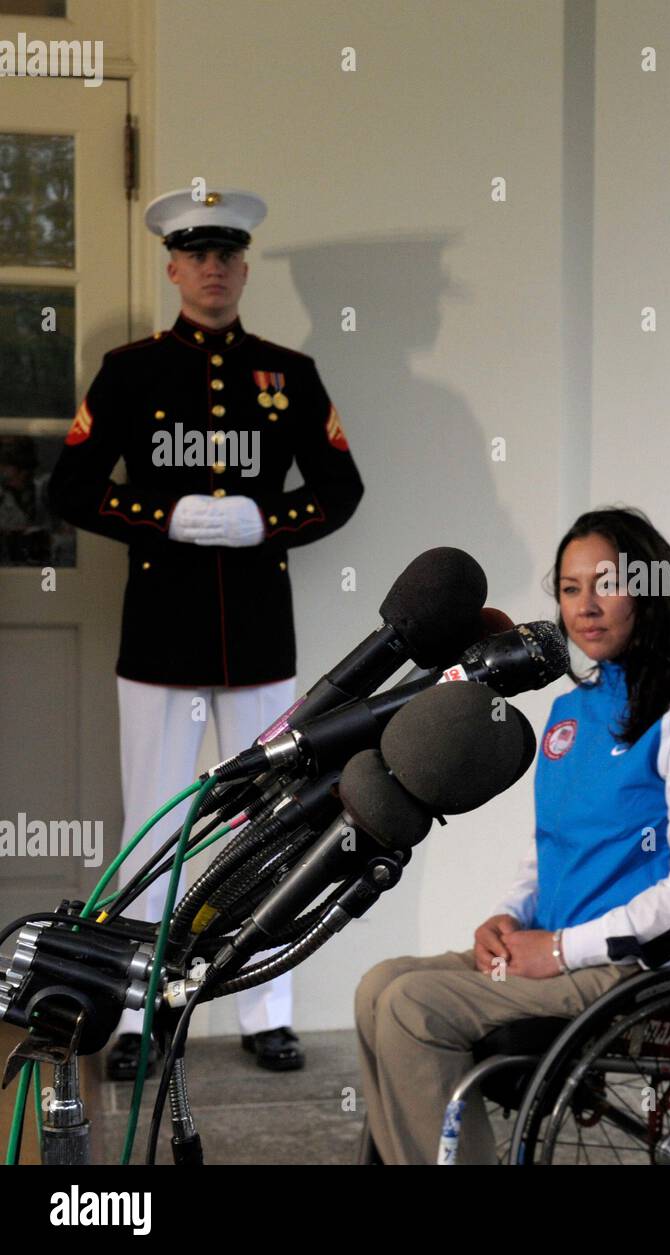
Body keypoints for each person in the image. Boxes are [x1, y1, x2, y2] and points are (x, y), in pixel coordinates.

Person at [48, 188, 365, 1077]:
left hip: (260, 638)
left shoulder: (286, 374)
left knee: (278, 820)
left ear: (244, 266)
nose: (214, 268)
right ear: (173, 267)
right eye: (198, 253)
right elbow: (69, 488)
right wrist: (162, 514)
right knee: (154, 827)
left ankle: (267, 1007)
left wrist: (269, 520)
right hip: (158, 640)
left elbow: (340, 490)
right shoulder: (130, 371)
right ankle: (142, 1011)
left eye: (229, 253)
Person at [354, 507, 670, 1165]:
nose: (586, 605)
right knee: (378, 983)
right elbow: (547, 840)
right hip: (543, 943)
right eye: (571, 588)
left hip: (619, 966)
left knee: (413, 1005)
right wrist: (507, 914)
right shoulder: (567, 708)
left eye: (606, 583)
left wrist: (559, 946)